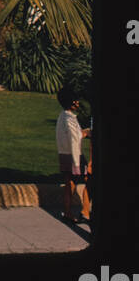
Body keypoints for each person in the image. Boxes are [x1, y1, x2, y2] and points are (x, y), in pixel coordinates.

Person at [56, 86, 91, 224]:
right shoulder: (70, 119)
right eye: (76, 101)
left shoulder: (62, 116)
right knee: (90, 180)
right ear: (72, 103)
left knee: (69, 183)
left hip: (64, 154)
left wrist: (83, 132)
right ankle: (85, 211)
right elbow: (74, 139)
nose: (78, 103)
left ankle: (67, 211)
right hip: (74, 156)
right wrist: (77, 163)